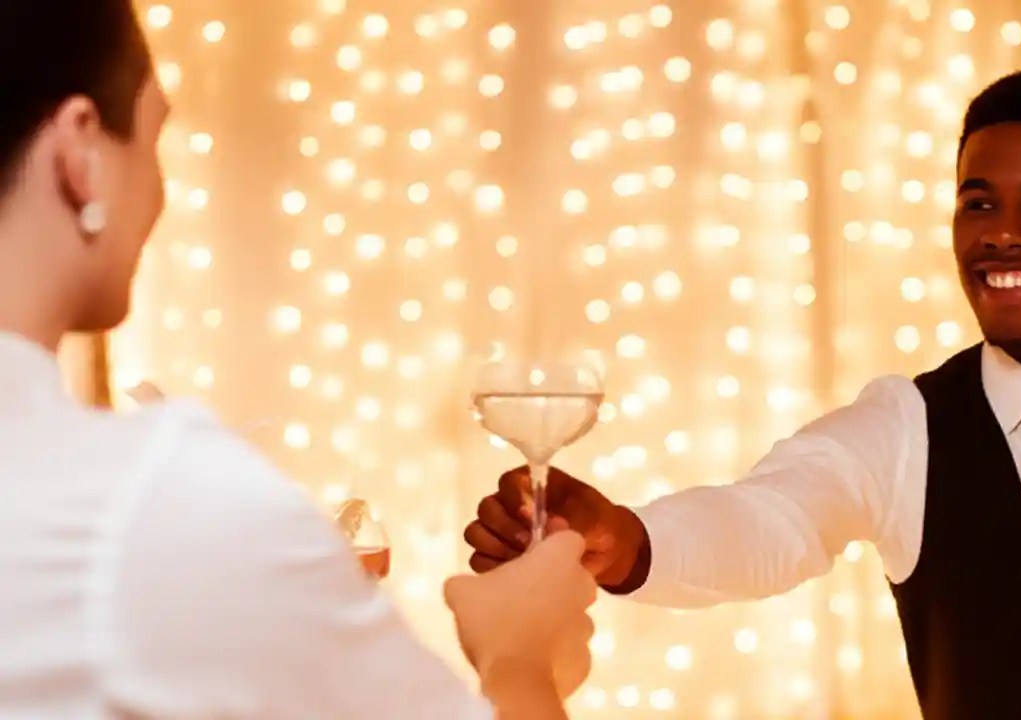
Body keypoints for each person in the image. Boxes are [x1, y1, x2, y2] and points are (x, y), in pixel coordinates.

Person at [466, 68, 1021, 719]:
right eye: (979, 203)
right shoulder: (907, 427)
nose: (1002, 233)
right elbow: (771, 517)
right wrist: (625, 539)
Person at [0, 2, 595, 719]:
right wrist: (521, 654)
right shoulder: (150, 501)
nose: (157, 193)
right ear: (82, 154)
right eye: (155, 141)